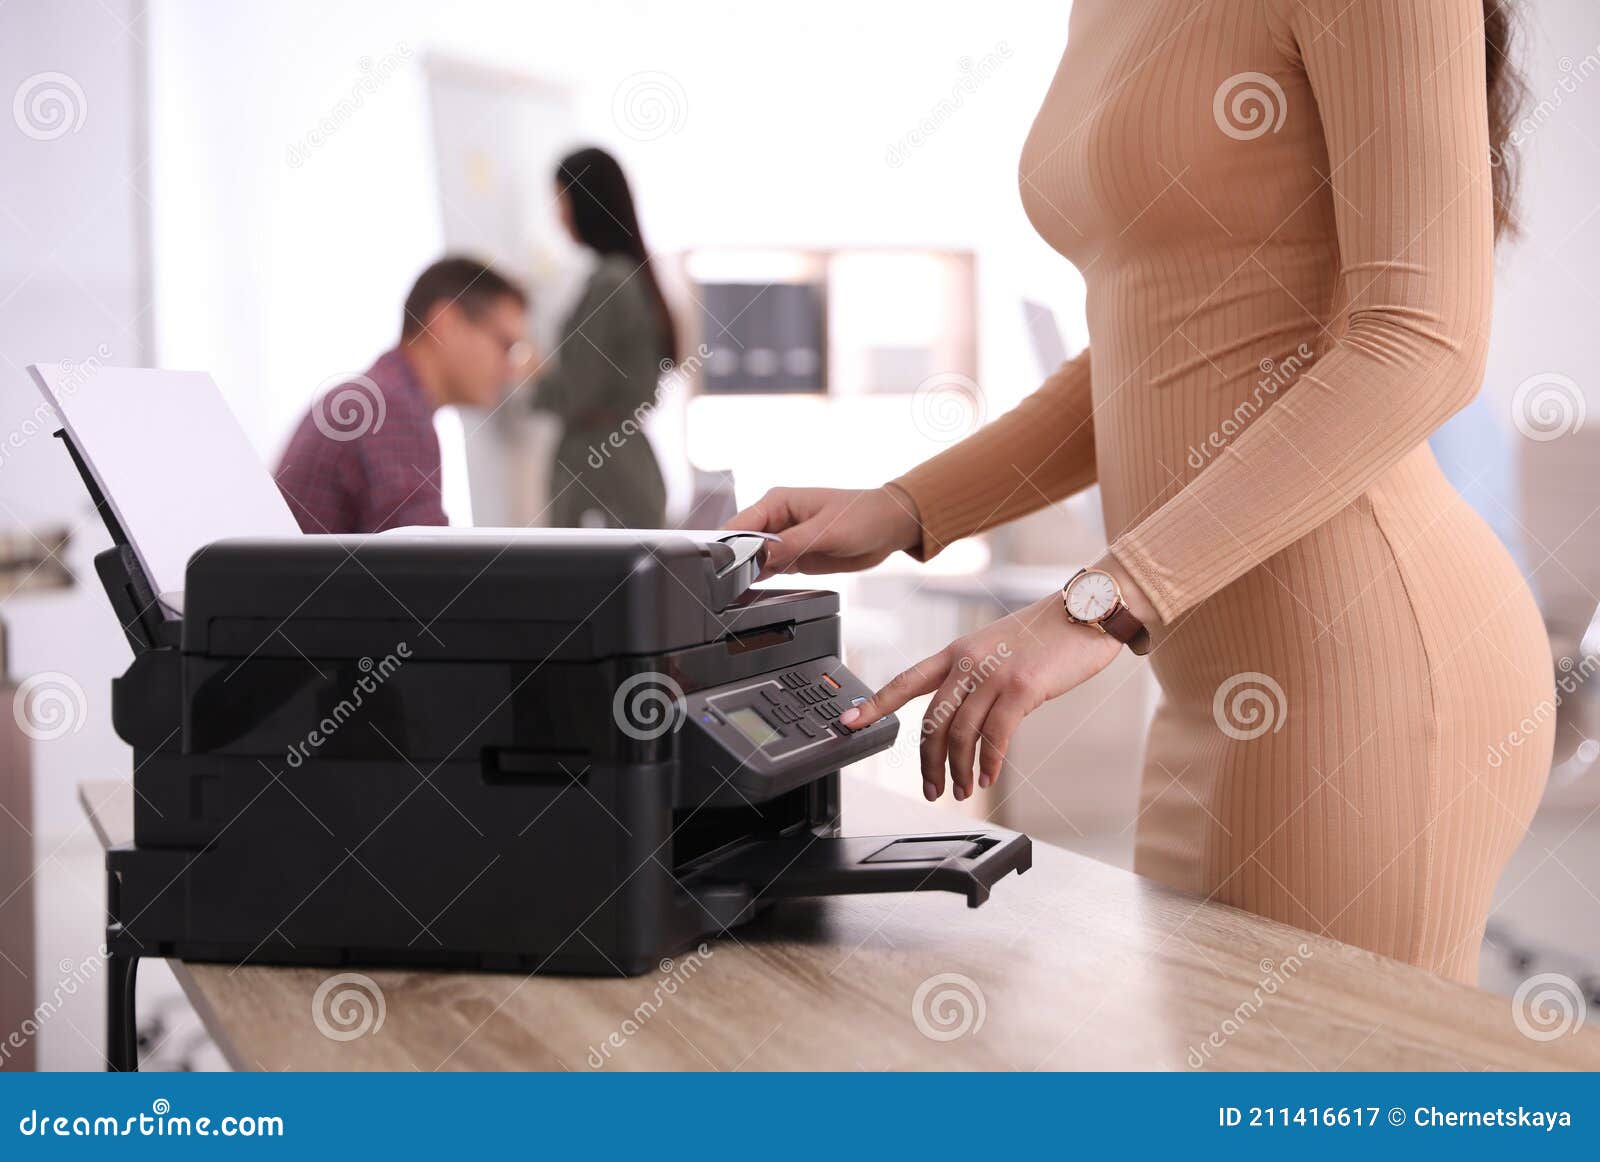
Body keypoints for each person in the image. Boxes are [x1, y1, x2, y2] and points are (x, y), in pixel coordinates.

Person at [728, 0, 1548, 985]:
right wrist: (905, 505)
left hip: (1363, 668)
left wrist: (1100, 603)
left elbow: (1420, 343)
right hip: (1209, 679)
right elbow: (1148, 342)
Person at [276, 257, 527, 534]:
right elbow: (425, 566)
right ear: (447, 323)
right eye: (505, 345)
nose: (511, 369)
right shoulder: (391, 410)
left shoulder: (377, 397)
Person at [529, 147, 674, 529]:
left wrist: (533, 373)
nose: (558, 216)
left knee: (591, 586)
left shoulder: (610, 282)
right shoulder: (628, 274)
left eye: (561, 199)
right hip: (623, 463)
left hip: (599, 467)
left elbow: (579, 392)